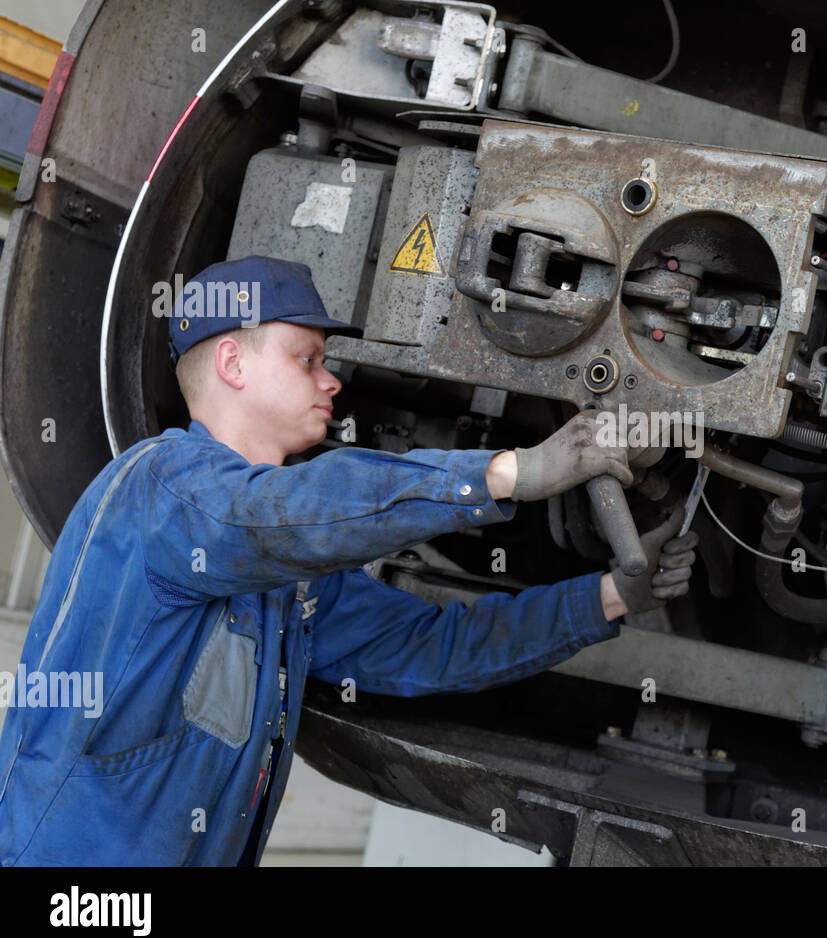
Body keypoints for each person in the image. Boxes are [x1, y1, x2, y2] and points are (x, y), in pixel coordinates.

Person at [0, 255, 698, 866]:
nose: (330, 381)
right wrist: (510, 473)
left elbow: (432, 648)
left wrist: (611, 595)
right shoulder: (157, 485)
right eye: (307, 360)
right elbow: (278, 513)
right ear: (232, 364)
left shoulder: (289, 587)